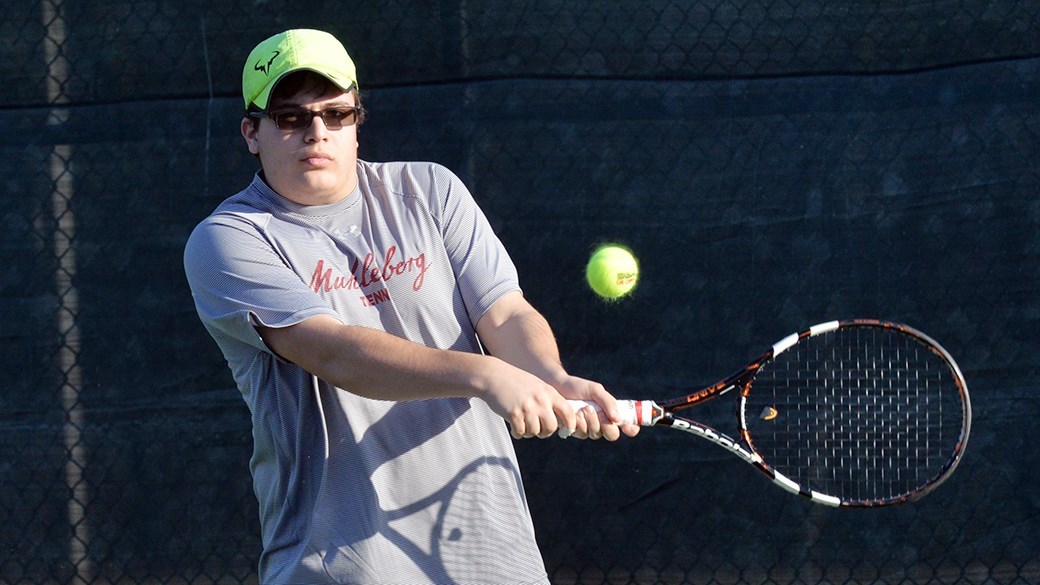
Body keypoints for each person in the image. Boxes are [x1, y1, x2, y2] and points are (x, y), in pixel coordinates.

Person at [184, 28, 638, 585]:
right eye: (291, 118)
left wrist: (550, 378)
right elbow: (334, 352)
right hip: (340, 565)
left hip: (494, 555)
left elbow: (505, 313)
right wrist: (487, 375)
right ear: (252, 132)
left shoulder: (432, 191)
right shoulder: (229, 239)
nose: (317, 132)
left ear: (358, 122)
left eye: (337, 114)